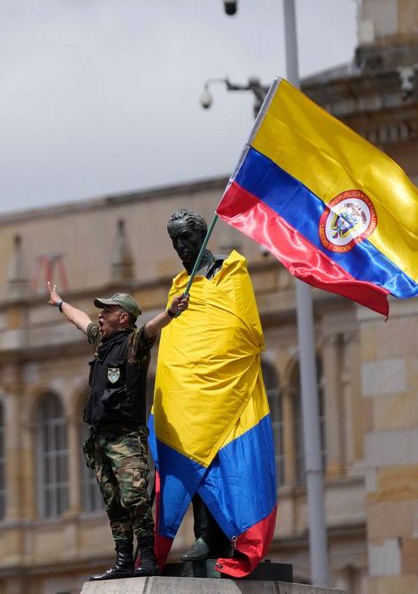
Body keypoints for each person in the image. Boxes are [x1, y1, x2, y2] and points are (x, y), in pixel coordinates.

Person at [151, 208, 278, 577]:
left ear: (203, 237)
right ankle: (204, 534)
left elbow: (243, 330)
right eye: (174, 240)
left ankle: (227, 537)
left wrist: (213, 363)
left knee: (224, 463)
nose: (180, 246)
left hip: (226, 386)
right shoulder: (179, 286)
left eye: (185, 238)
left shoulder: (231, 274)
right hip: (189, 392)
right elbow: (178, 338)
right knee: (191, 462)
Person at [47, 279, 188, 580]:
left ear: (123, 316)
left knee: (134, 498)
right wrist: (59, 303)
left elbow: (151, 328)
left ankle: (147, 560)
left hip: (126, 438)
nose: (100, 314)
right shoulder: (101, 341)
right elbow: (80, 319)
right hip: (100, 439)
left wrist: (171, 313)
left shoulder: (133, 343)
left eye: (107, 310)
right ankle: (124, 560)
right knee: (114, 502)